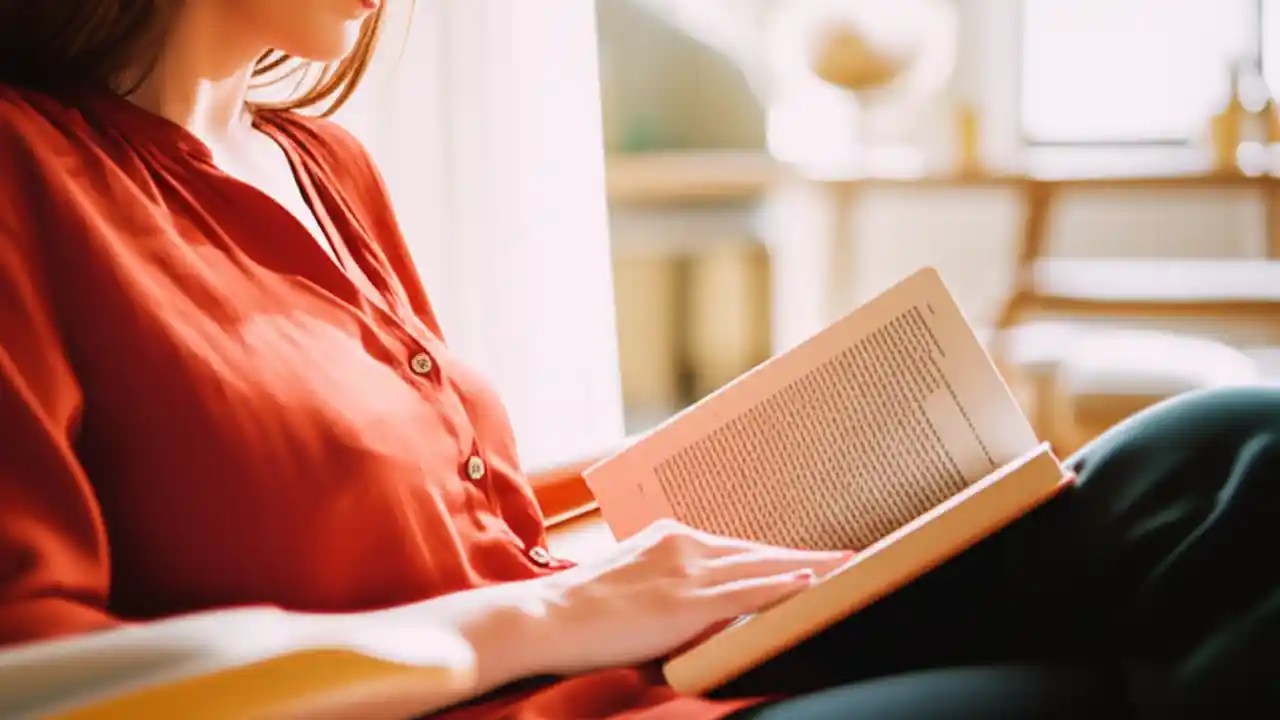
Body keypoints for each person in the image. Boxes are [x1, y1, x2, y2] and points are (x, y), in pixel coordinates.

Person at [0, 2, 1275, 718]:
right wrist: (551, 613)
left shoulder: (322, 167)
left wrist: (737, 469)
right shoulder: (24, 181)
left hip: (649, 665)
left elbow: (459, 508)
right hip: (545, 698)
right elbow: (38, 683)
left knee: (1230, 455)